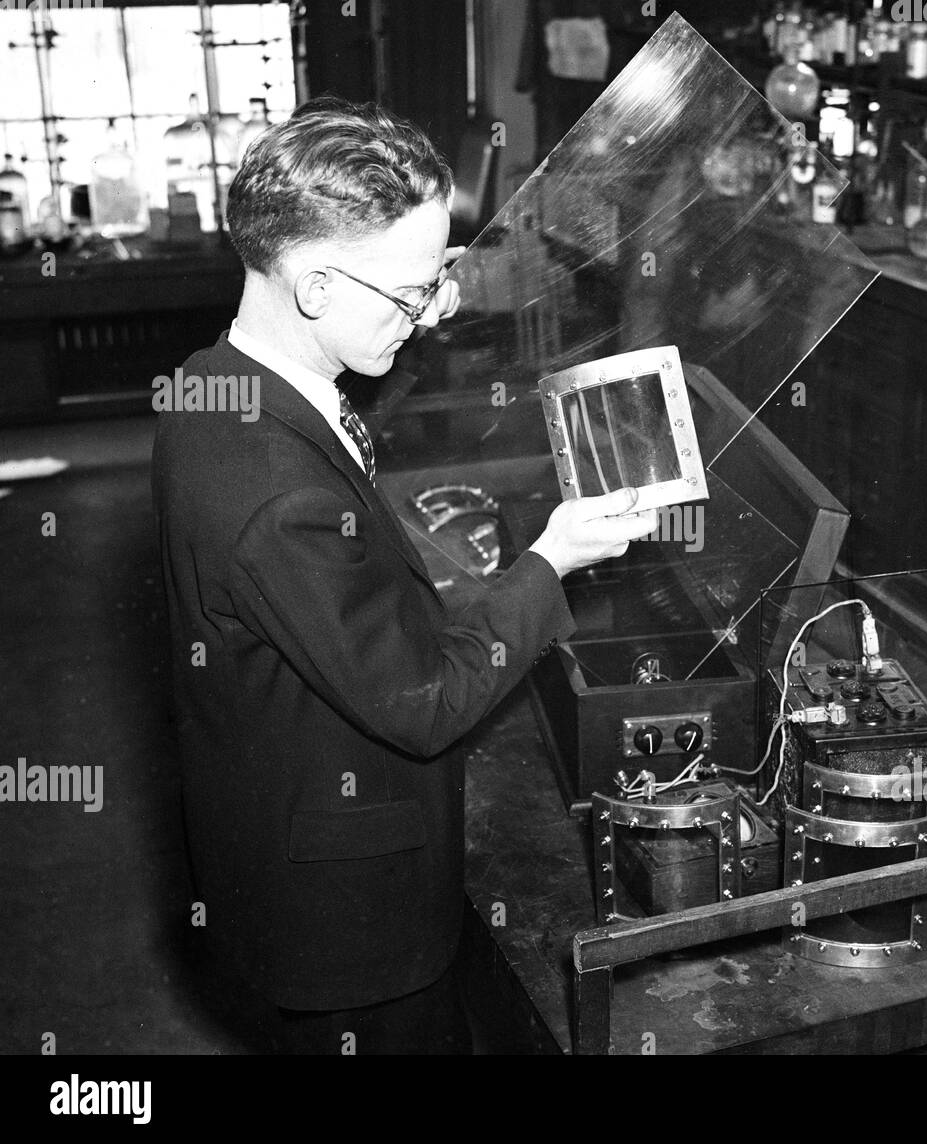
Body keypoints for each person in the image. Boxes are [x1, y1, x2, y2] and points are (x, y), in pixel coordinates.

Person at [151, 96, 655, 1053]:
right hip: (347, 919)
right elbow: (421, 704)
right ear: (314, 286)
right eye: (411, 293)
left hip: (272, 836)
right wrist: (552, 560)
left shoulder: (216, 380)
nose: (427, 316)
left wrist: (414, 291)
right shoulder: (275, 500)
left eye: (438, 280)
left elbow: (330, 454)